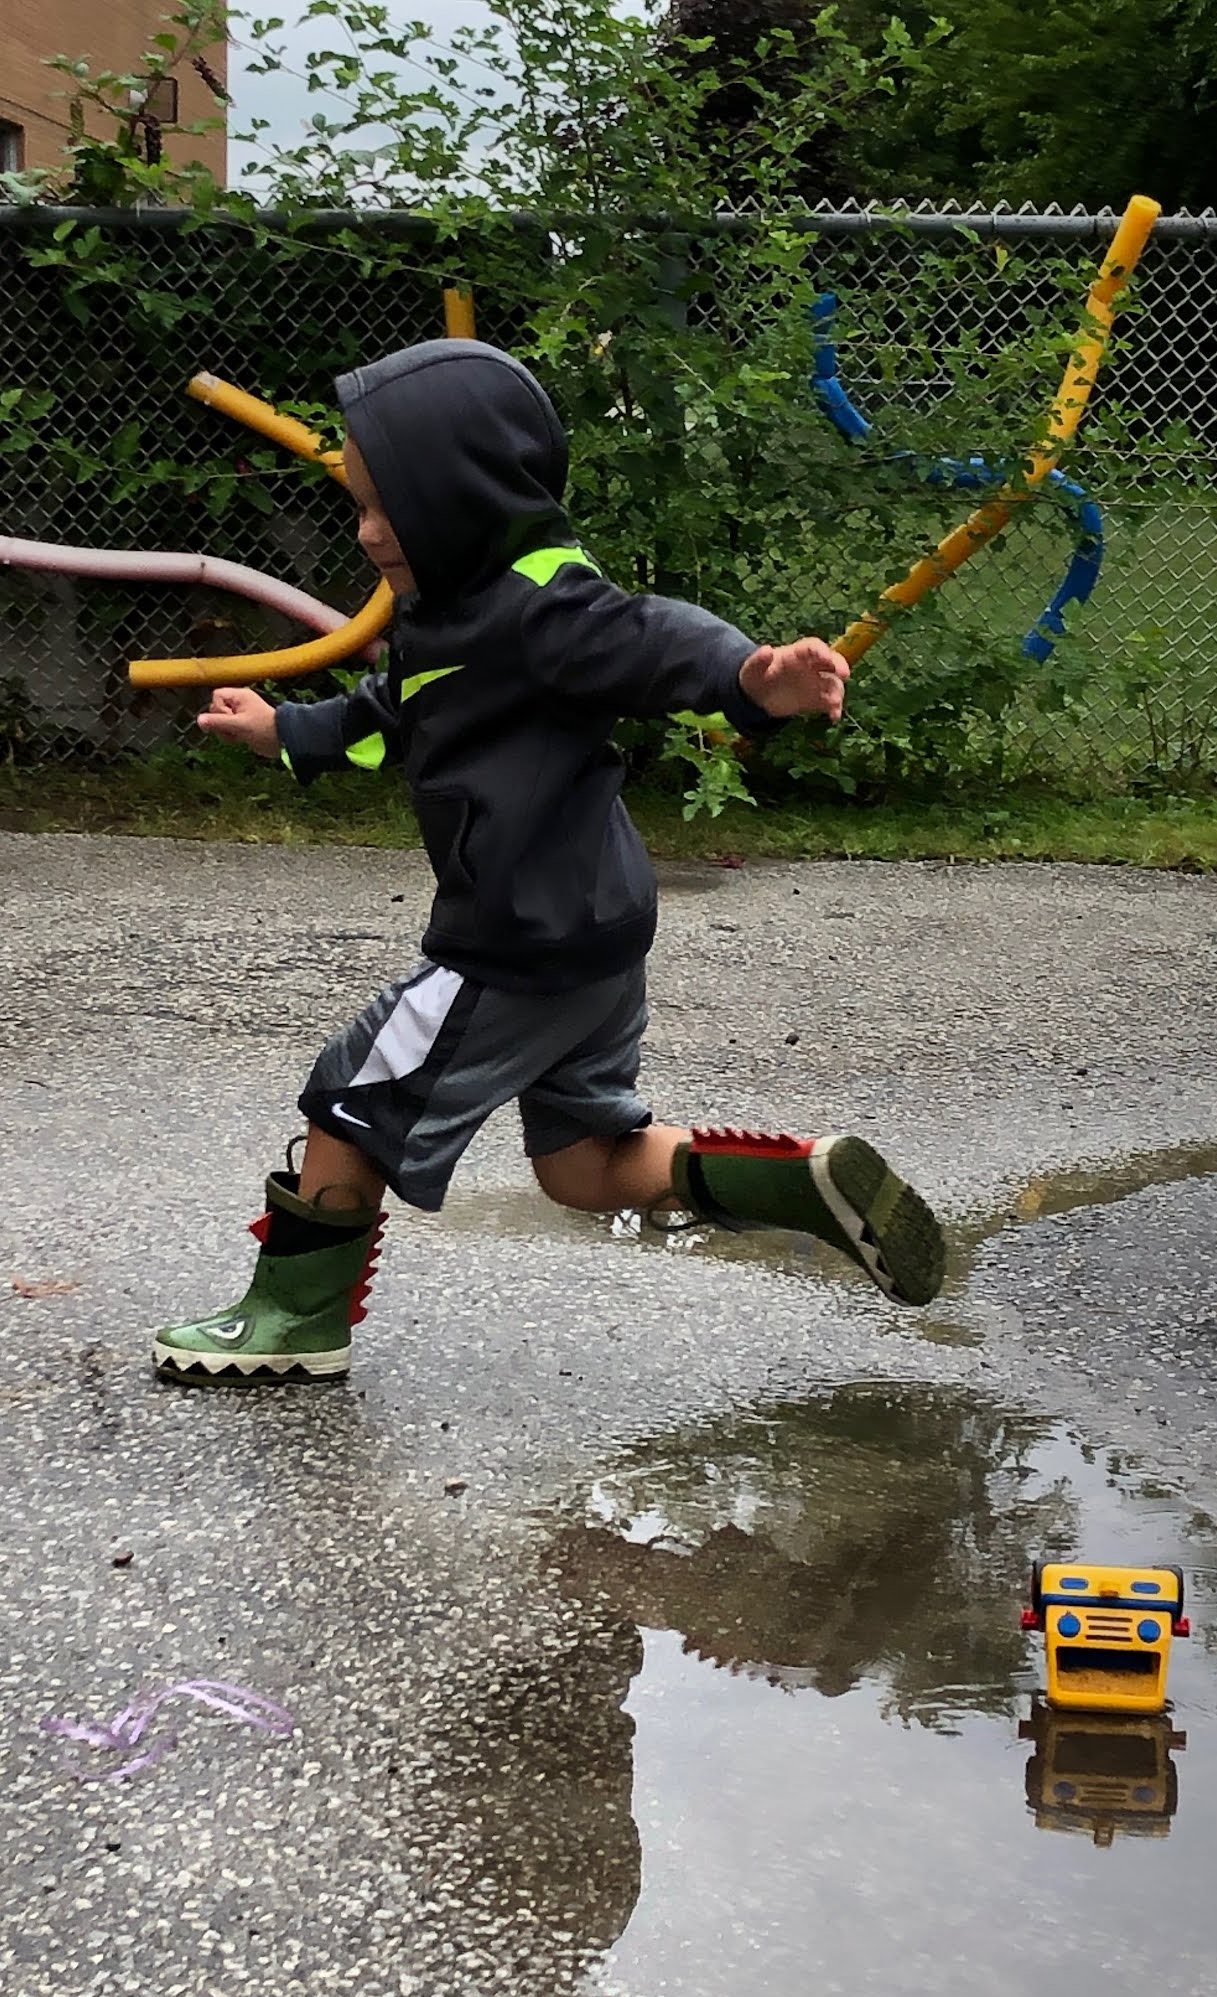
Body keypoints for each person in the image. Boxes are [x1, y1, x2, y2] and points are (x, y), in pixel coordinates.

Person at [153, 339, 945, 1386]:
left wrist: (749, 676)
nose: (367, 530)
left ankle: (295, 1321)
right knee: (584, 1165)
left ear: (463, 494)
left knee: (353, 1095)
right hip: (596, 932)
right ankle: (799, 1185)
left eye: (387, 506)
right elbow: (402, 716)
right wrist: (286, 730)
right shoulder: (456, 607)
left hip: (517, 938)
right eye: (360, 503)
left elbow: (649, 636)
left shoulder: (540, 603)